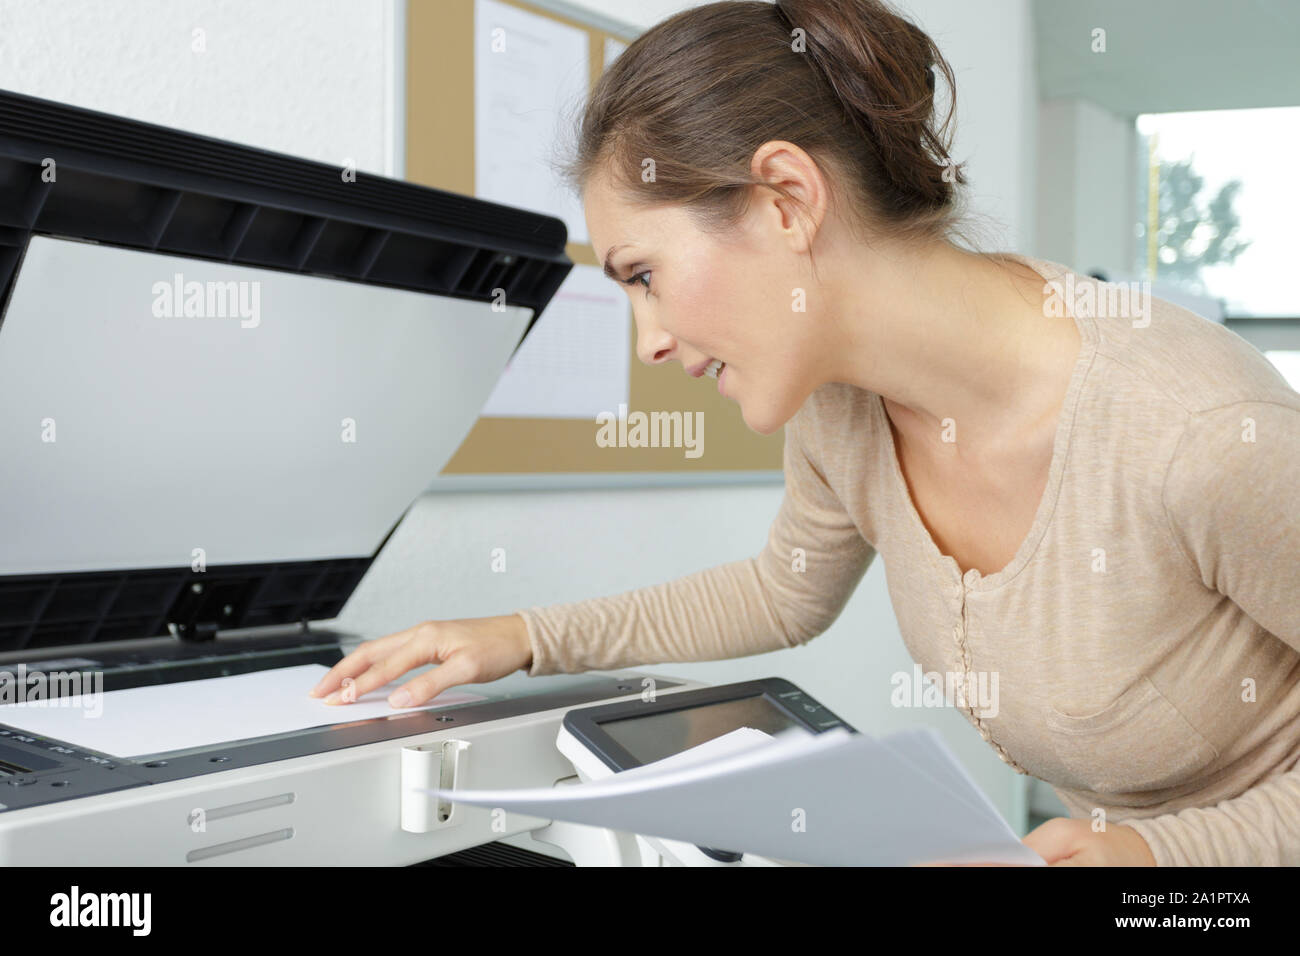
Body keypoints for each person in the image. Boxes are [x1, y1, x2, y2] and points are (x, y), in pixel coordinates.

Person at [309, 0, 1300, 866]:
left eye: (642, 274)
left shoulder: (1198, 434)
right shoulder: (845, 407)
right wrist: (523, 637)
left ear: (785, 199)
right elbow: (784, 590)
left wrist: (1163, 853)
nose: (648, 341)